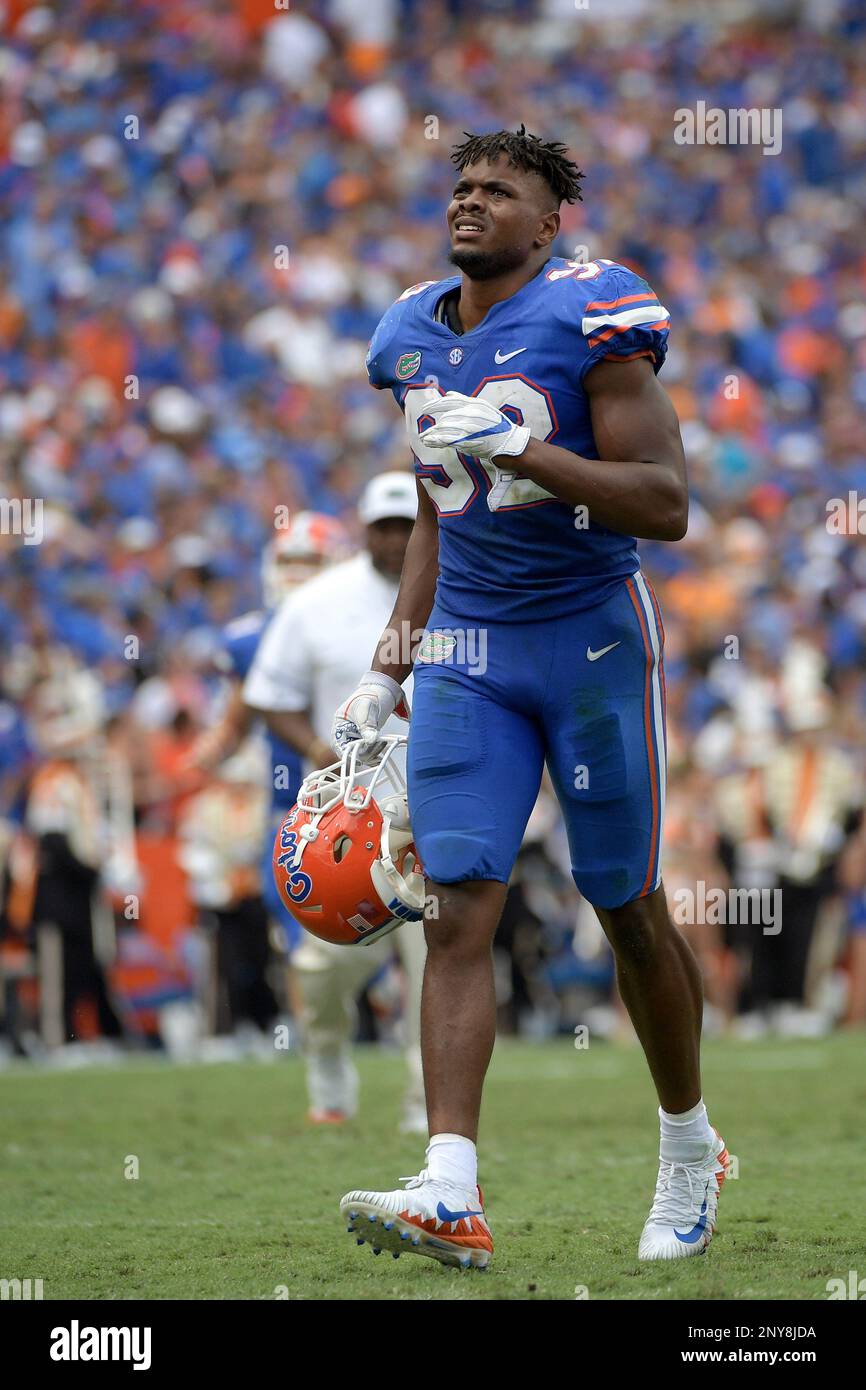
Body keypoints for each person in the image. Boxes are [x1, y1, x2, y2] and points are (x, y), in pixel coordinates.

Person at [331, 126, 728, 1269]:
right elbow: (432, 519)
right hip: (465, 649)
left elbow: (661, 504)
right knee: (457, 906)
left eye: (498, 189)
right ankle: (449, 1185)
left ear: (549, 222)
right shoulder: (408, 331)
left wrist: (524, 446)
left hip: (588, 641)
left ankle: (687, 1147)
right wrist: (384, 666)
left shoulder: (591, 314)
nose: (469, 200)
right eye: (459, 185)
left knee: (624, 904)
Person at [244, 472, 428, 1131]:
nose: (397, 537)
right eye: (385, 526)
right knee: (325, 958)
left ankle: (426, 1105)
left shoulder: (464, 586)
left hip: (437, 800)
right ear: (364, 530)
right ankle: (326, 1056)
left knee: (438, 955)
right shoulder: (318, 600)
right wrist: (317, 747)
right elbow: (267, 695)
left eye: (409, 524)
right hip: (348, 807)